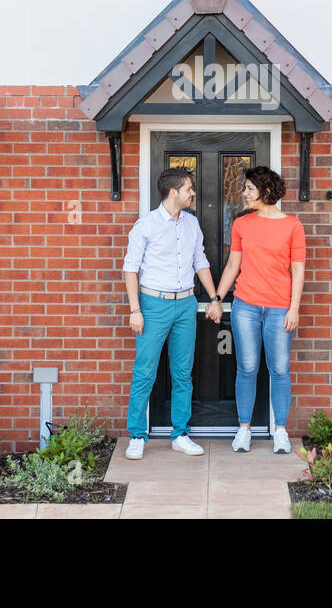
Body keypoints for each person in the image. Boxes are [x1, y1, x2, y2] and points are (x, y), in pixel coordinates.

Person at [121, 166, 223, 460]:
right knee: (145, 372)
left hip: (185, 305)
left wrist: (214, 297)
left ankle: (180, 434)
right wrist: (135, 309)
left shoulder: (191, 224)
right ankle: (137, 435)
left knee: (182, 373)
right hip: (153, 305)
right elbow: (130, 269)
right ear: (173, 191)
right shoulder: (146, 225)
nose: (193, 193)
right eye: (189, 188)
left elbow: (200, 261)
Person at [209, 166, 305, 454]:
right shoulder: (242, 224)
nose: (244, 193)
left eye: (250, 188)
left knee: (280, 369)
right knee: (247, 368)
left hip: (279, 309)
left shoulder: (293, 226)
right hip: (246, 307)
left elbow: (298, 271)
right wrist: (217, 297)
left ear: (266, 191)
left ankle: (280, 431)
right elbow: (232, 266)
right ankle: (244, 429)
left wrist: (294, 309)